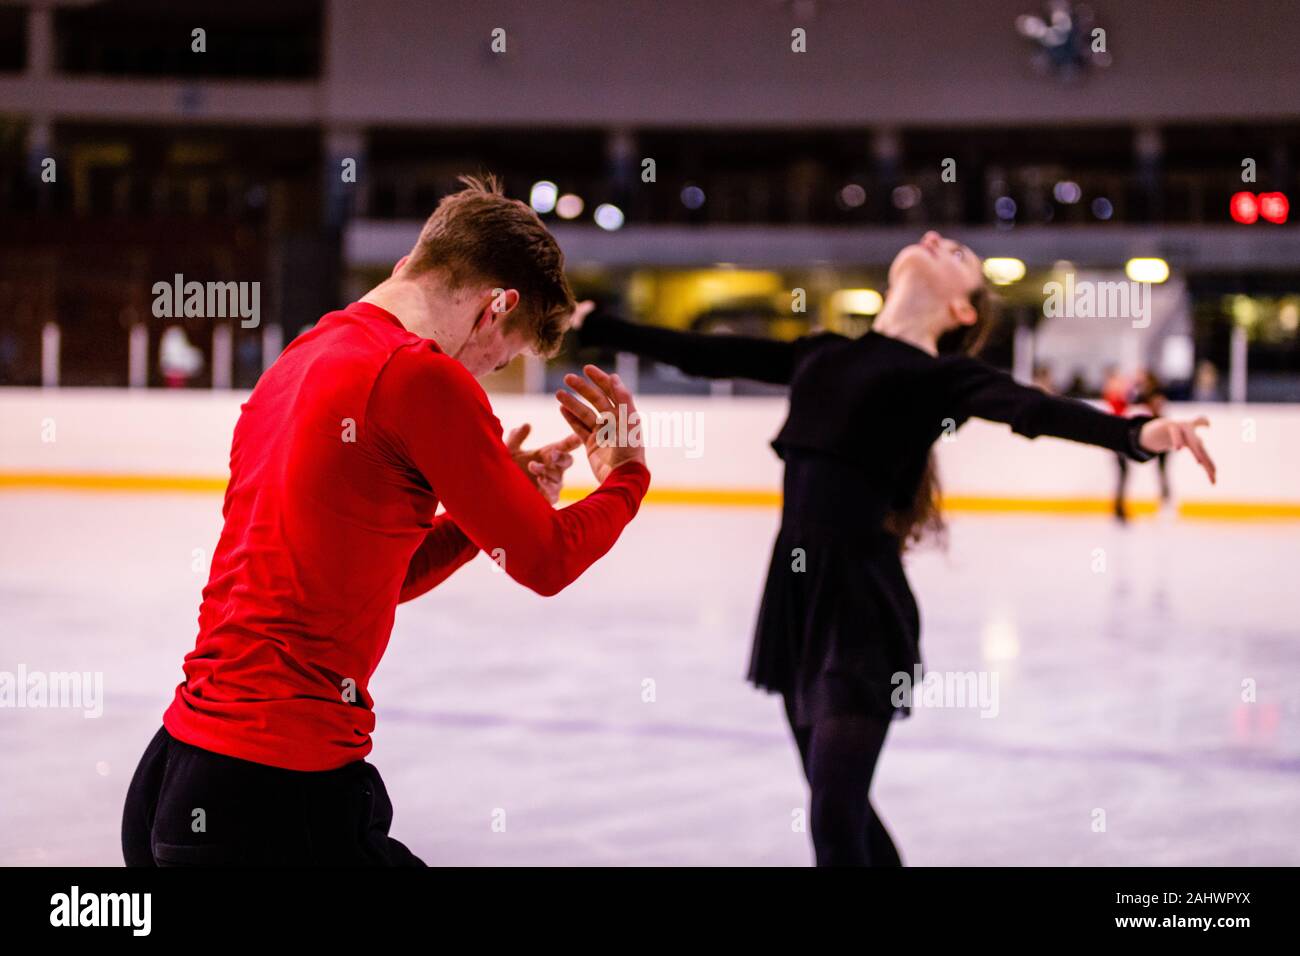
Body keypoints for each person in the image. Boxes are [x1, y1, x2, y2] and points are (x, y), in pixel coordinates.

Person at [571, 230, 1216, 866]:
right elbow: (705, 354)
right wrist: (601, 323)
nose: (935, 236)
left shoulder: (943, 379)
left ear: (962, 310)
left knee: (831, 820)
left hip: (862, 609)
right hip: (796, 598)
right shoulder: (821, 353)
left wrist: (1137, 435)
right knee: (841, 815)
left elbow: (1032, 410)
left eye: (958, 253)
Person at [122, 175, 651, 866]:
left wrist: (473, 521)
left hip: (181, 773)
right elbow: (546, 561)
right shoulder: (420, 376)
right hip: (275, 793)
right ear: (497, 307)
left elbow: (371, 578)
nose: (485, 372)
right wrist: (626, 475)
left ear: (411, 264)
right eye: (504, 357)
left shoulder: (301, 358)